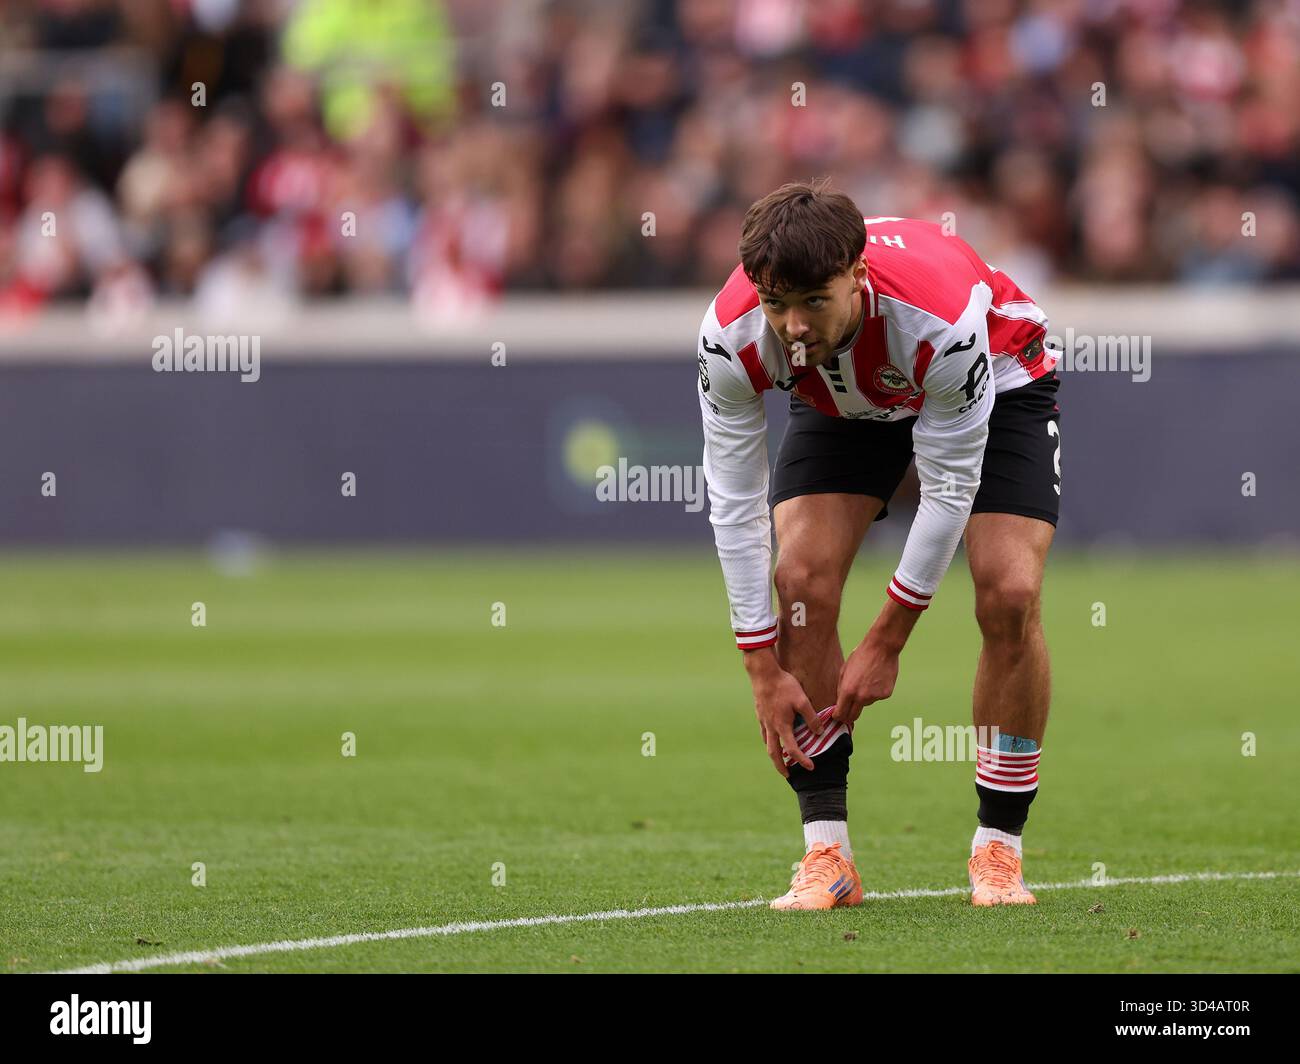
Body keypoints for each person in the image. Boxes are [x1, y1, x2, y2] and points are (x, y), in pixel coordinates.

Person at [697, 179, 1061, 909]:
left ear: (858, 278)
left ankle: (999, 850)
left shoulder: (940, 319)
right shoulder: (732, 337)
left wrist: (887, 638)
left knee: (1009, 591)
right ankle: (826, 853)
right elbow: (734, 506)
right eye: (777, 304)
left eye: (812, 302)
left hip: (1000, 375)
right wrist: (759, 666)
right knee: (799, 579)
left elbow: (948, 490)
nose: (792, 326)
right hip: (845, 399)